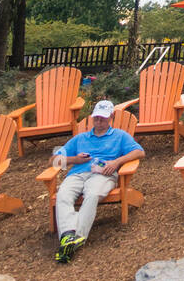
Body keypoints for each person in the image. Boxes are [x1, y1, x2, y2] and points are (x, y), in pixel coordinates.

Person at [50, 99, 144, 263]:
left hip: (103, 174)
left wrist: (116, 162)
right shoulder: (80, 138)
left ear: (111, 117)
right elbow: (53, 160)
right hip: (77, 174)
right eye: (96, 118)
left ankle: (77, 236)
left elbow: (139, 152)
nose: (99, 122)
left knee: (92, 194)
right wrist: (74, 159)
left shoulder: (120, 136)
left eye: (103, 118)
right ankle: (67, 236)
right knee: (63, 195)